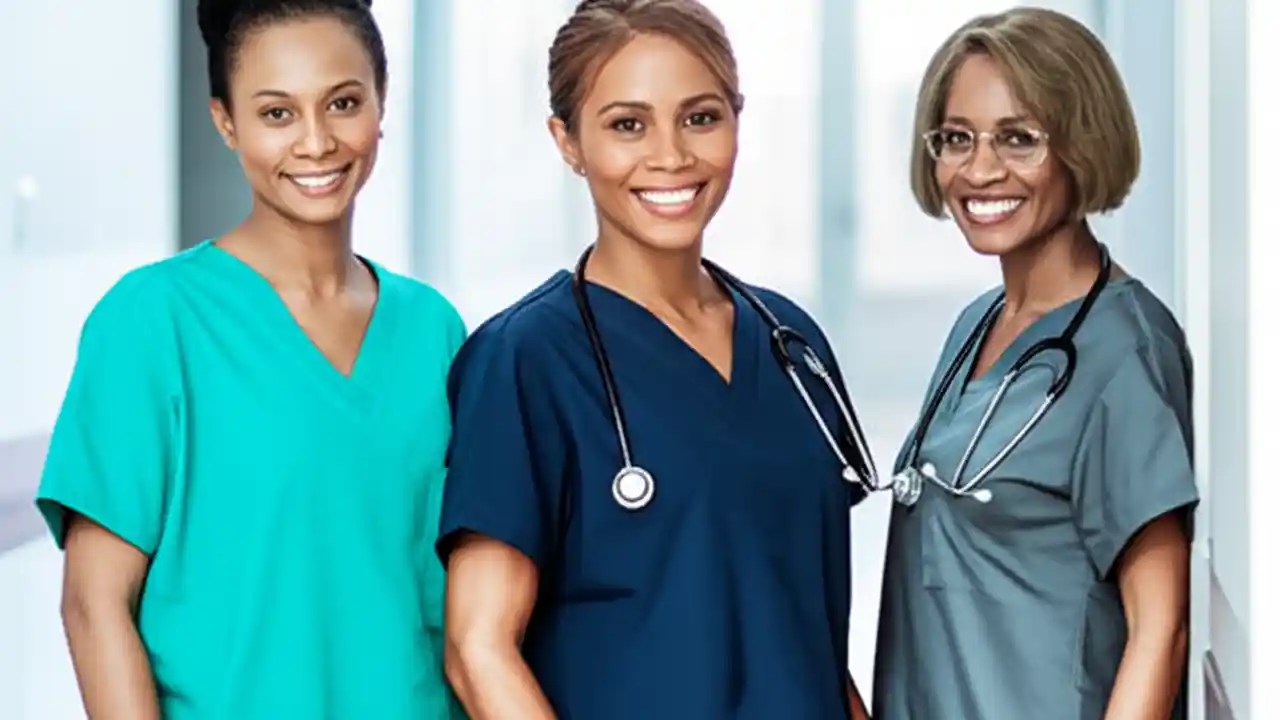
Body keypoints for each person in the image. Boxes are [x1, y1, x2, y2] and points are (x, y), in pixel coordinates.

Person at [436, 1, 872, 718]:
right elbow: (478, 651)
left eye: (700, 117)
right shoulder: (527, 359)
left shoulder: (791, 344)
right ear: (567, 141)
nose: (671, 155)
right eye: (627, 125)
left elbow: (805, 635)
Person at [35, 1, 465, 717]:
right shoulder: (153, 321)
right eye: (277, 113)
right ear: (226, 121)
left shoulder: (434, 330)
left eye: (344, 103)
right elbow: (93, 605)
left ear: (381, 105)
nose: (318, 141)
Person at [872, 8, 1199, 719]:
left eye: (1019, 139)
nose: (981, 169)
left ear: (1082, 144)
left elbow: (1161, 631)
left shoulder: (1125, 352)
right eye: (957, 138)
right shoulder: (976, 328)